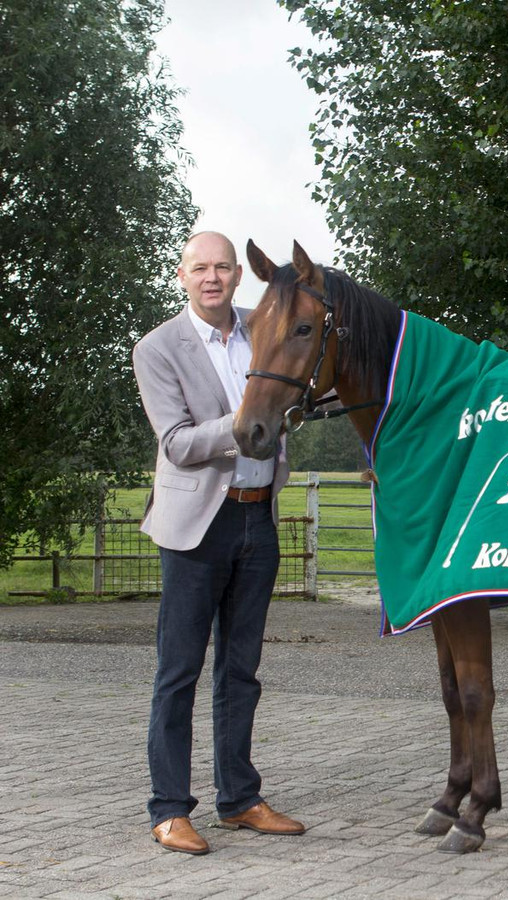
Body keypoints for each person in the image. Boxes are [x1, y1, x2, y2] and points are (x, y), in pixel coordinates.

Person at [133, 231, 305, 855]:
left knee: (241, 670)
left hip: (259, 518)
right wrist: (240, 424)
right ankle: (169, 808)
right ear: (182, 276)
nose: (212, 277)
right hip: (196, 528)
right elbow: (177, 443)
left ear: (238, 275)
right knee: (179, 670)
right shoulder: (158, 348)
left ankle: (238, 799)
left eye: (223, 267)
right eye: (200, 267)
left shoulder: (264, 326)